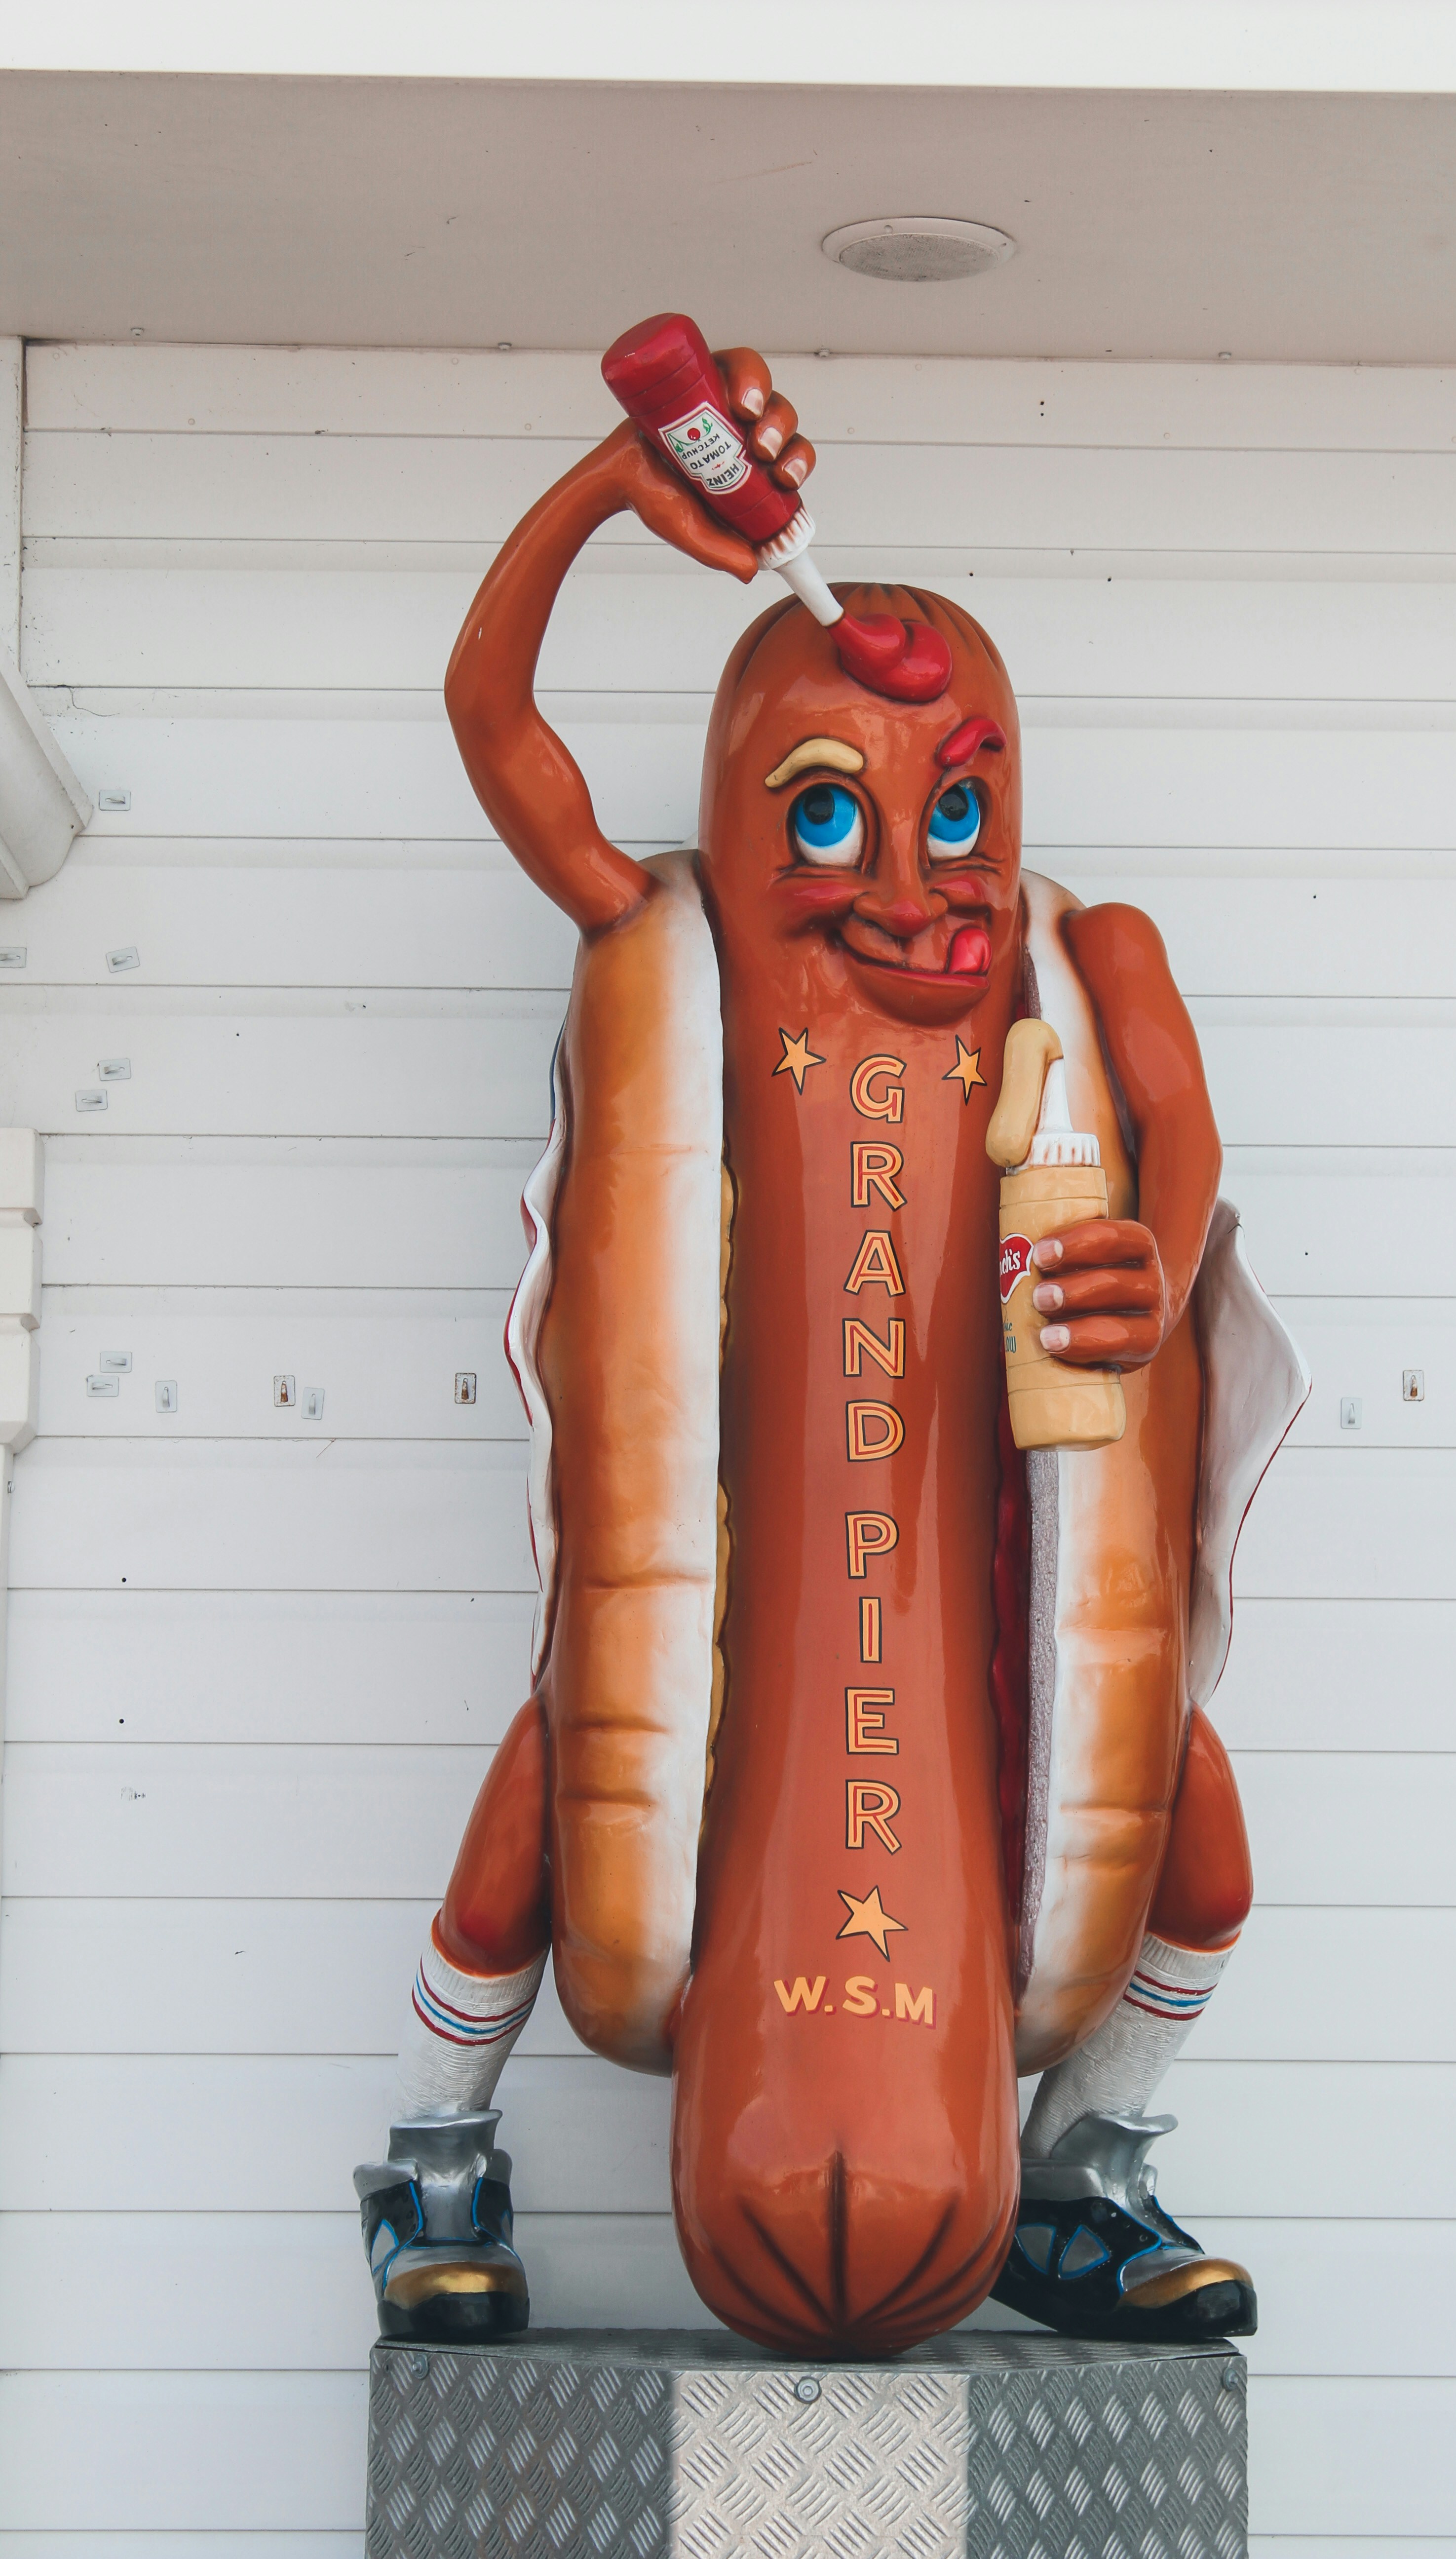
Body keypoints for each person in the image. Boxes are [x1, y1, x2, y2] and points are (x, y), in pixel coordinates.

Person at [353, 349, 1303, 2351]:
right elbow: (487, 718)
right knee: (542, 1820)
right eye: (830, 814)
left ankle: (1084, 2168)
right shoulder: (665, 941)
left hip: (986, 1569)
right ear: (731, 808)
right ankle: (435, 2147)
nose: (907, 881)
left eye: (954, 808)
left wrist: (1153, 1245)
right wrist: (613, 491)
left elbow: (1183, 1128)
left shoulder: (1084, 957)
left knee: (1199, 1835)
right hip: (727, 1583)